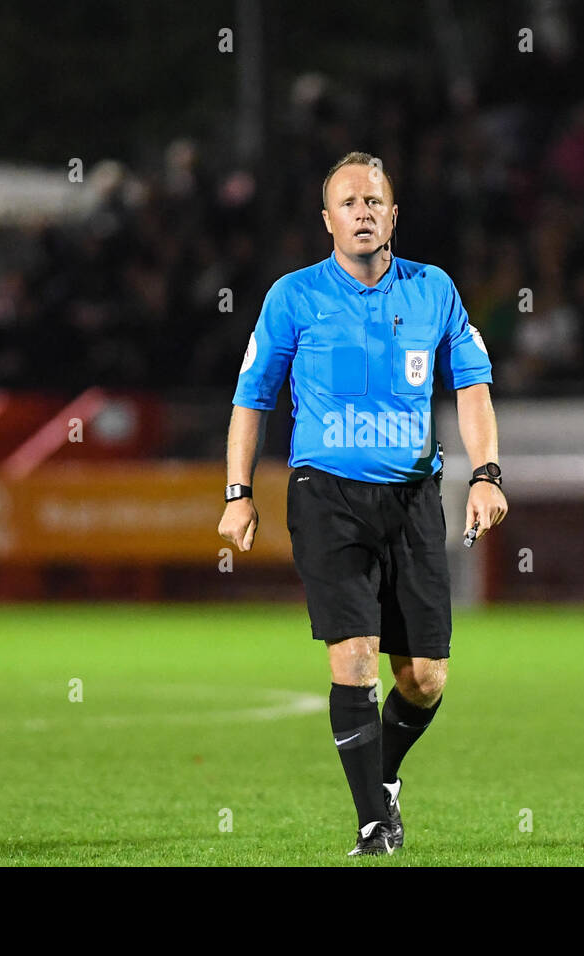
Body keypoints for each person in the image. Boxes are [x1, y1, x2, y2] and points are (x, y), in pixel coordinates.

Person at [218, 151, 507, 856]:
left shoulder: (434, 290)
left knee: (425, 679)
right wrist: (238, 492)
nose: (363, 212)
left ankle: (384, 781)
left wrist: (487, 473)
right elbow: (251, 398)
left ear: (394, 214)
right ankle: (373, 823)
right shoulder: (293, 297)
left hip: (412, 500)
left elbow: (471, 386)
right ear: (328, 220)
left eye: (374, 201)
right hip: (326, 498)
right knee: (353, 660)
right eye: (348, 202)